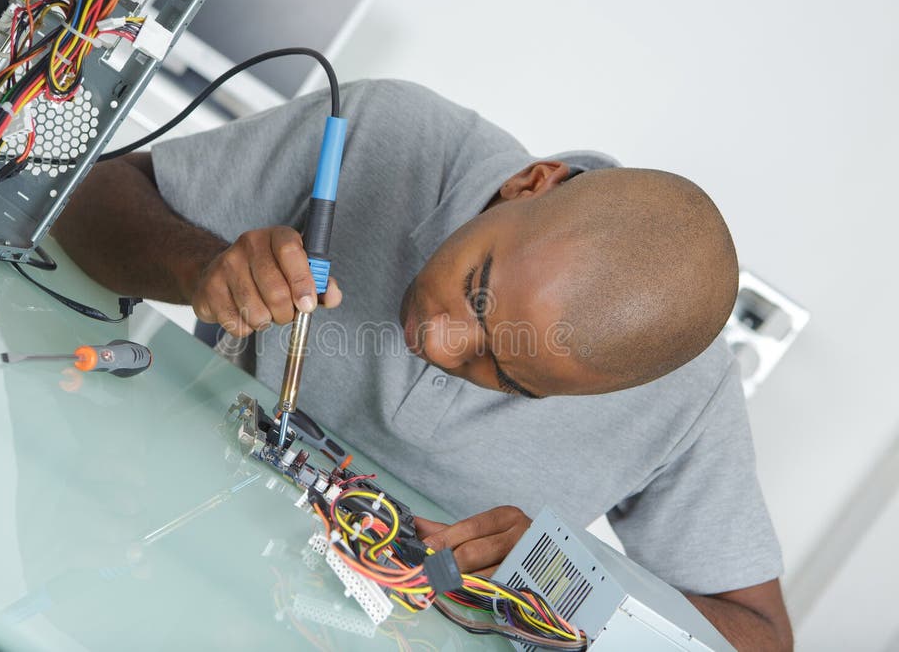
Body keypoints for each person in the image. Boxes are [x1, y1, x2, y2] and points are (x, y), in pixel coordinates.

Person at [53, 79, 792, 650]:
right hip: (151, 548)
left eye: (508, 375)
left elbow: (758, 633)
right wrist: (202, 266)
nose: (438, 344)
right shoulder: (390, 133)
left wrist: (567, 576)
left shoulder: (686, 393)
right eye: (477, 294)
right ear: (530, 182)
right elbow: (84, 202)